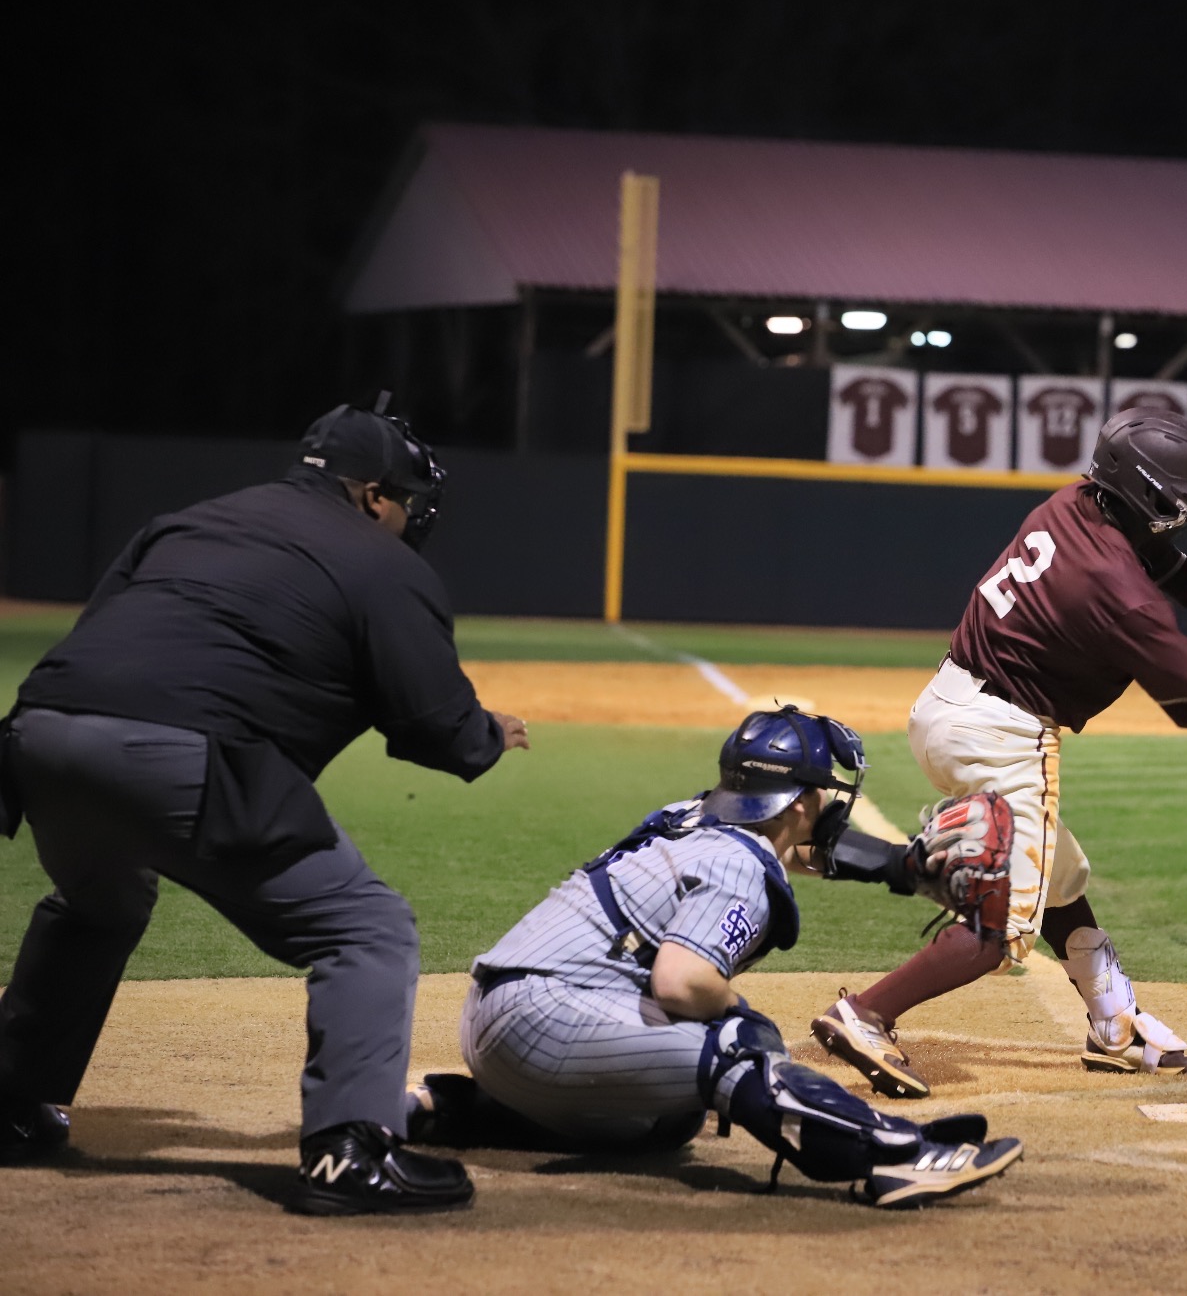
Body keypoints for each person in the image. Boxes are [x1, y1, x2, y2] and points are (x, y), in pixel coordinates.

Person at [0, 401, 529, 1215]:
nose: (410, 516)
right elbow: (440, 732)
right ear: (369, 495)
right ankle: (350, 1150)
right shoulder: (383, 563)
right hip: (182, 751)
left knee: (100, 900)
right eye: (406, 500)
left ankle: (9, 1104)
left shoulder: (187, 522)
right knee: (367, 927)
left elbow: (97, 637)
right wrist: (488, 731)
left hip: (39, 735)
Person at [809, 405, 1187, 1099]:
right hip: (1003, 735)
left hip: (946, 706)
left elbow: (1181, 574)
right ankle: (866, 1014)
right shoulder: (1120, 594)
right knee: (1003, 927)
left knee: (1062, 873)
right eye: (1180, 498)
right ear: (1150, 494)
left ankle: (1114, 1025)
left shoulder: (1076, 504)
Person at [407, 707, 1023, 1208]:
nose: (830, 805)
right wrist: (738, 1011)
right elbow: (680, 982)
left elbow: (796, 851)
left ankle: (451, 1109)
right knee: (738, 1041)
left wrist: (902, 867)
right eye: (822, 792)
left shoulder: (691, 817)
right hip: (546, 1024)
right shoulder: (737, 868)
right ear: (801, 802)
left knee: (668, 1120)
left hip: (502, 1017)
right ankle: (898, 1157)